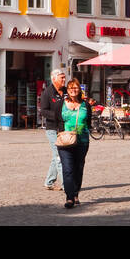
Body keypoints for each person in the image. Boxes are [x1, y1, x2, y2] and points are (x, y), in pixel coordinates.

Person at [57, 78, 92, 209]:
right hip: (65, 141)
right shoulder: (61, 104)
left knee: (78, 168)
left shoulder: (86, 105)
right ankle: (70, 197)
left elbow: (89, 121)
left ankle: (76, 192)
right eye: (70, 87)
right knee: (67, 169)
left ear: (79, 90)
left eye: (75, 87)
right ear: (67, 89)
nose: (73, 90)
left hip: (82, 141)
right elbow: (56, 119)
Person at [39, 69, 68, 191]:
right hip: (52, 129)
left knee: (56, 155)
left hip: (65, 128)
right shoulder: (47, 93)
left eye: (64, 77)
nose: (64, 79)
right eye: (61, 77)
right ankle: (66, 185)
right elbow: (43, 111)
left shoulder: (66, 91)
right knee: (59, 156)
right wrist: (57, 115)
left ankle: (49, 182)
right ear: (54, 79)